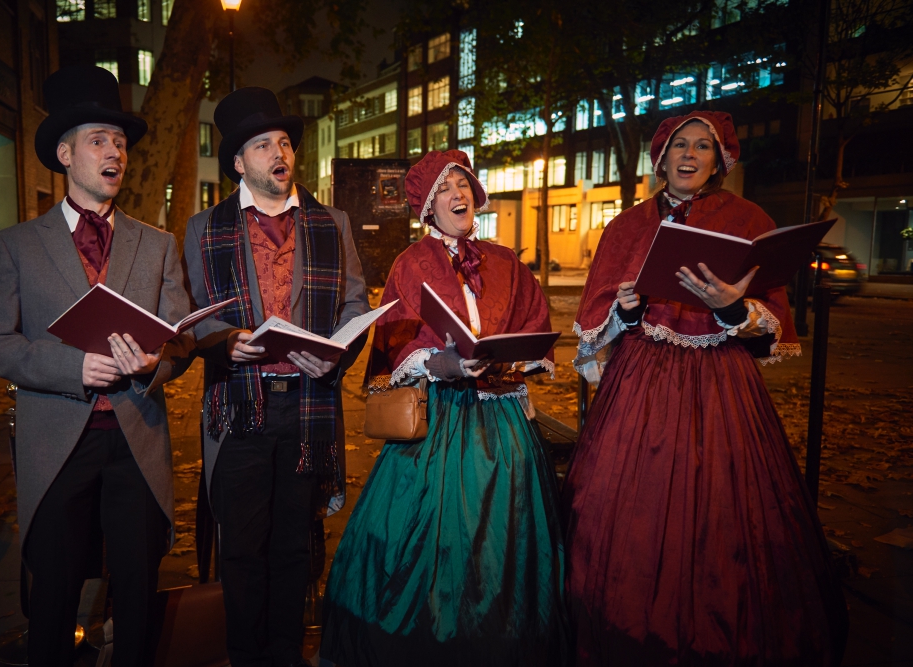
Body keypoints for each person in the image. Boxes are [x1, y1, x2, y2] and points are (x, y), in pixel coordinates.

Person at [563, 111, 848, 665]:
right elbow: (595, 324)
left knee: (726, 512)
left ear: (721, 160)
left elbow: (771, 320)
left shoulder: (747, 218)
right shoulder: (627, 225)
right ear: (662, 156)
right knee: (623, 511)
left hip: (721, 383)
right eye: (679, 145)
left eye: (702, 146)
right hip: (640, 382)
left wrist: (732, 308)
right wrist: (626, 311)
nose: (689, 155)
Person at [0, 65, 194, 666]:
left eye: (120, 142)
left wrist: (155, 362)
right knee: (53, 603)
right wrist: (73, 368)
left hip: (136, 442)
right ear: (65, 154)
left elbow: (180, 340)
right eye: (98, 140)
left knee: (137, 600)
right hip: (56, 445)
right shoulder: (16, 245)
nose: (114, 152)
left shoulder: (158, 244)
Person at [320, 149, 569, 667]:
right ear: (427, 206)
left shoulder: (504, 261)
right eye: (445, 188)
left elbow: (534, 328)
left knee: (506, 536)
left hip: (501, 422)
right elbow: (395, 343)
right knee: (431, 539)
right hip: (440, 421)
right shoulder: (411, 263)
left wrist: (514, 361)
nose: (458, 193)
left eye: (463, 183)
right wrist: (446, 363)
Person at [182, 87, 369, 667]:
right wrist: (222, 341)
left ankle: (287, 652)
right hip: (240, 408)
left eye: (284, 142)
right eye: (262, 144)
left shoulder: (331, 222)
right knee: (241, 547)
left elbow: (355, 306)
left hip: (306, 406)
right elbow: (187, 314)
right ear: (239, 162)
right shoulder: (202, 229)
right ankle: (244, 652)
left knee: (294, 543)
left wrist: (337, 352)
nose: (278, 152)